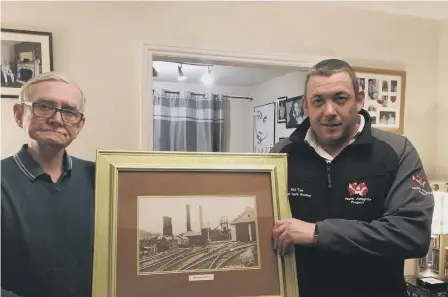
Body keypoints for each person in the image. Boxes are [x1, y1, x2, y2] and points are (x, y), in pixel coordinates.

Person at [271, 59, 434, 297]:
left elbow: (413, 234)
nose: (329, 111)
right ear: (305, 105)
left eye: (340, 98)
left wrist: (320, 233)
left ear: (358, 100)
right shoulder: (281, 154)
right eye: (318, 101)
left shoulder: (397, 152)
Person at [1, 72, 95, 297]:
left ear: (79, 125)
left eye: (70, 111)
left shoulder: (100, 177)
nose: (57, 119)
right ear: (18, 114)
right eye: (44, 106)